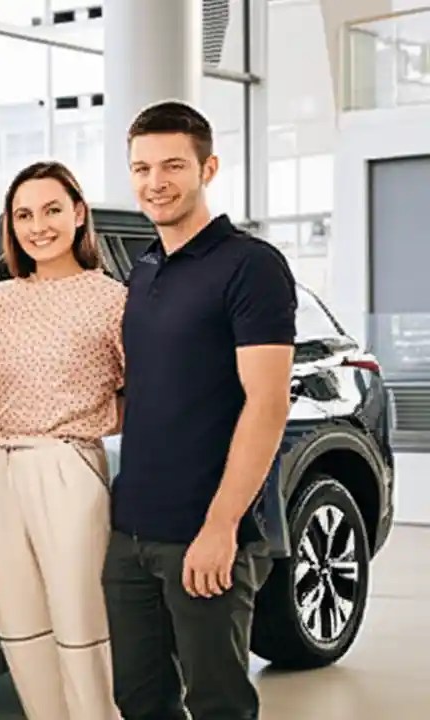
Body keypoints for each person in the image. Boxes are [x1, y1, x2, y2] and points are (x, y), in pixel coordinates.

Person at [104, 100, 297, 720]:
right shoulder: (145, 269)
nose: (154, 182)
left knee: (217, 703)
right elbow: (153, 390)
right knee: (138, 699)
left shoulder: (250, 266)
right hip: (131, 529)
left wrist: (220, 527)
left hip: (206, 530)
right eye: (140, 168)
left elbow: (267, 405)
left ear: (207, 167)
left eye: (172, 166)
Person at [0, 160, 124, 720]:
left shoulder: (111, 299)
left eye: (52, 210)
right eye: (23, 215)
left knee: (80, 623)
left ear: (79, 214)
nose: (39, 225)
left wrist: (95, 417)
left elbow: (147, 391)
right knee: (20, 625)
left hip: (66, 463)